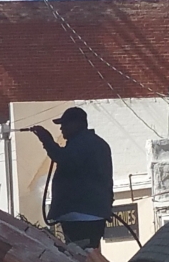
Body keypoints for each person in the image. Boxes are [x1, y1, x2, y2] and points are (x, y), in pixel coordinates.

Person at [27, 106, 114, 249]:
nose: (61, 129)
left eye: (64, 124)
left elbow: (64, 159)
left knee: (79, 256)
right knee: (87, 256)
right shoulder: (96, 144)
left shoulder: (83, 143)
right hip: (93, 213)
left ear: (77, 124)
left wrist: (47, 140)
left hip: (80, 215)